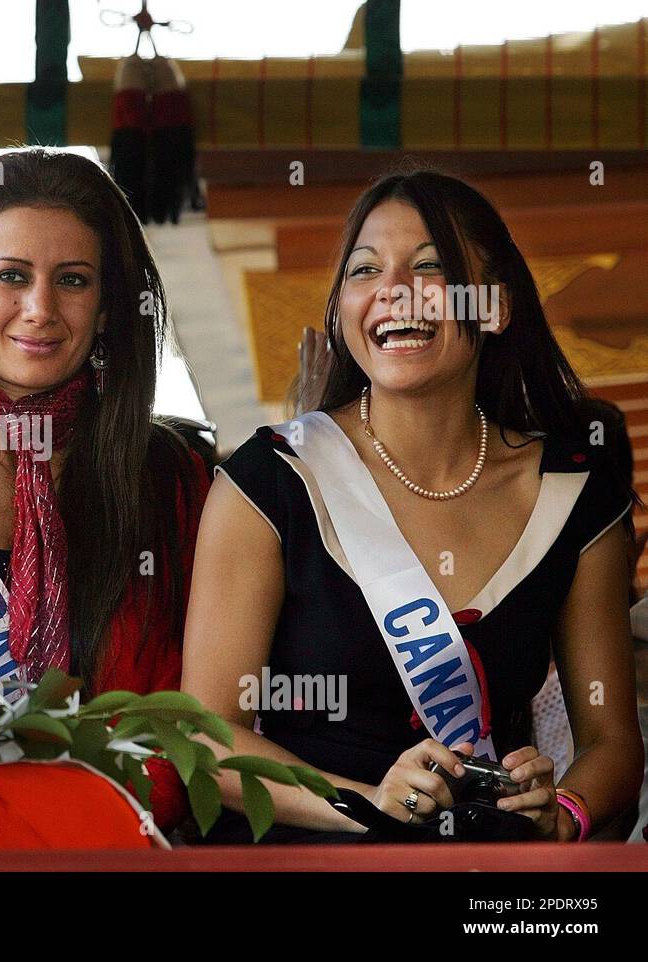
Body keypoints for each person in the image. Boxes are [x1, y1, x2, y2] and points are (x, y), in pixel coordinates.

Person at [183, 169, 644, 843]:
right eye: (365, 270)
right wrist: (367, 802)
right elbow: (206, 734)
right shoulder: (271, 480)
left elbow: (611, 741)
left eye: (429, 266)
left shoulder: (574, 492)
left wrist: (564, 812)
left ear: (495, 306)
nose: (393, 292)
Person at [0, 148, 212, 834]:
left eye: (72, 279)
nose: (40, 308)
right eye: (11, 275)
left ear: (107, 308)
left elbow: (197, 722)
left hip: (119, 843)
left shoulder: (174, 478)